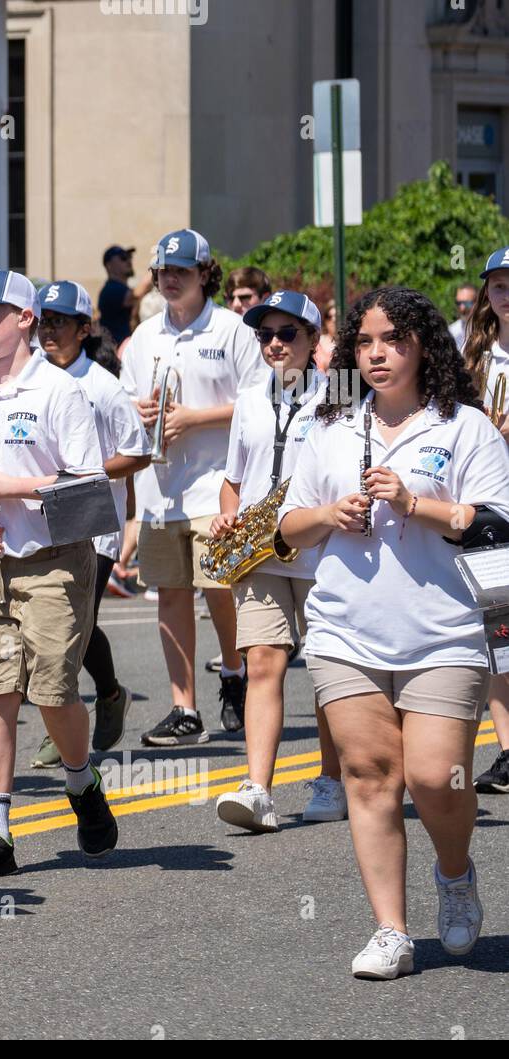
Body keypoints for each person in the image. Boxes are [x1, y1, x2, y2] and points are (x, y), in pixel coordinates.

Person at [279, 285, 509, 979]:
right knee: (369, 776)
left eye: (395, 340)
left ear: (424, 348)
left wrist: (418, 504)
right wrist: (328, 517)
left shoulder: (464, 427)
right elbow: (288, 528)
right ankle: (391, 931)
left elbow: (494, 521)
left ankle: (455, 871)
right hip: (346, 631)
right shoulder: (331, 428)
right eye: (368, 342)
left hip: (444, 631)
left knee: (436, 776)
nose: (379, 354)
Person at [0, 268, 118, 879]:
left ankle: (80, 781)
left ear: (25, 320)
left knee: (54, 692)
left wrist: (13, 487)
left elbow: (89, 484)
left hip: (54, 563)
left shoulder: (58, 391)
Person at [122, 229, 267, 746]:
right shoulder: (144, 338)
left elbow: (259, 401)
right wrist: (140, 412)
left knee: (220, 589)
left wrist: (196, 418)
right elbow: (126, 407)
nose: (171, 279)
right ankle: (184, 707)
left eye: (181, 271)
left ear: (206, 273)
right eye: (163, 271)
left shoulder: (232, 330)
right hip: (162, 488)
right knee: (171, 595)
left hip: (217, 486)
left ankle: (234, 676)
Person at [209, 291, 346, 831]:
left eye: (287, 333)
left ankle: (332, 779)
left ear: (313, 341)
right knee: (262, 661)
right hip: (260, 549)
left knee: (329, 670)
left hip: (320, 548)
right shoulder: (247, 399)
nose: (274, 344)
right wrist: (227, 516)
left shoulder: (339, 398)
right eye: (265, 334)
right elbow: (233, 480)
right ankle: (259, 790)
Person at [31, 280, 150, 768]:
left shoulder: (104, 386)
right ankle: (106, 692)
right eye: (43, 321)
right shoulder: (31, 379)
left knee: (72, 624)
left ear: (84, 329)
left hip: (95, 523)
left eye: (59, 322)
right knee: (52, 626)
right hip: (42, 521)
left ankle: (72, 716)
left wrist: (90, 478)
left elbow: (137, 453)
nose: (49, 331)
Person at [460, 247, 509, 793]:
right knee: (499, 634)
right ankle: (508, 748)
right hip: (492, 514)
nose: (506, 296)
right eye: (498, 286)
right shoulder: (474, 358)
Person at [98, 245, 154, 347]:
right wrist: (159, 265)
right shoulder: (110, 289)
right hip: (115, 354)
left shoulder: (122, 288)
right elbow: (136, 294)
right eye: (123, 257)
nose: (129, 261)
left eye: (129, 257)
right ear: (109, 265)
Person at [448, 282, 478, 351]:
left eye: (467, 303)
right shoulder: (452, 332)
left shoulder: (491, 329)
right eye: (459, 303)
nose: (462, 308)